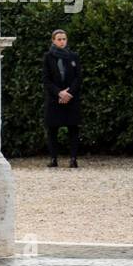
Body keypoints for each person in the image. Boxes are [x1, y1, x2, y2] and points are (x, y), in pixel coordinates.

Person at [43, 29, 82, 168]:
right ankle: (53, 158)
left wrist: (68, 93)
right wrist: (59, 93)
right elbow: (46, 80)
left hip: (71, 98)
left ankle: (73, 158)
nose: (62, 41)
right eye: (59, 39)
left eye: (64, 39)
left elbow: (78, 78)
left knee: (73, 128)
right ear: (53, 40)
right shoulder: (48, 57)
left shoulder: (73, 56)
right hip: (55, 99)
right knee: (52, 129)